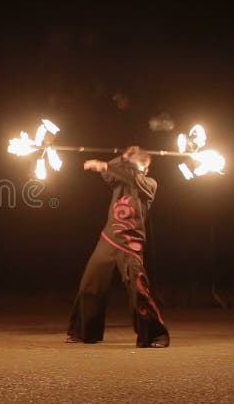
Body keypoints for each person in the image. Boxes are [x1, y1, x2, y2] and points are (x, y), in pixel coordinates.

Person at [66, 146, 170, 348]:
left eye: (137, 164)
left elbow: (130, 176)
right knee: (90, 284)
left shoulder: (148, 183)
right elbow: (112, 174)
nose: (132, 167)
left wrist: (110, 164)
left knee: (138, 288)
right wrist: (121, 158)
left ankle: (156, 335)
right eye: (130, 164)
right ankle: (85, 332)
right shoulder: (119, 182)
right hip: (109, 238)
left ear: (145, 169)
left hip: (131, 242)